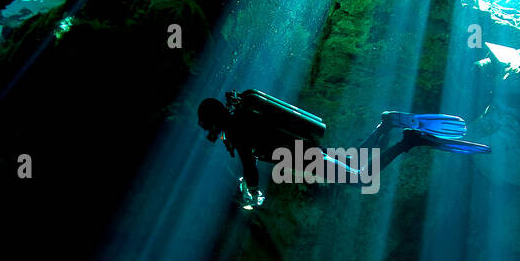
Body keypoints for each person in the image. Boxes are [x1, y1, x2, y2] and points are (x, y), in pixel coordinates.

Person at [197, 89, 489, 207]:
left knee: (362, 177)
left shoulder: (236, 126)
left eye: (206, 125)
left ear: (213, 119)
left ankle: (408, 140)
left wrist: (250, 190)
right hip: (304, 151)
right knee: (356, 164)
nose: (209, 131)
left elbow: (249, 165)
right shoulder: (241, 113)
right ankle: (386, 125)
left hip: (302, 156)